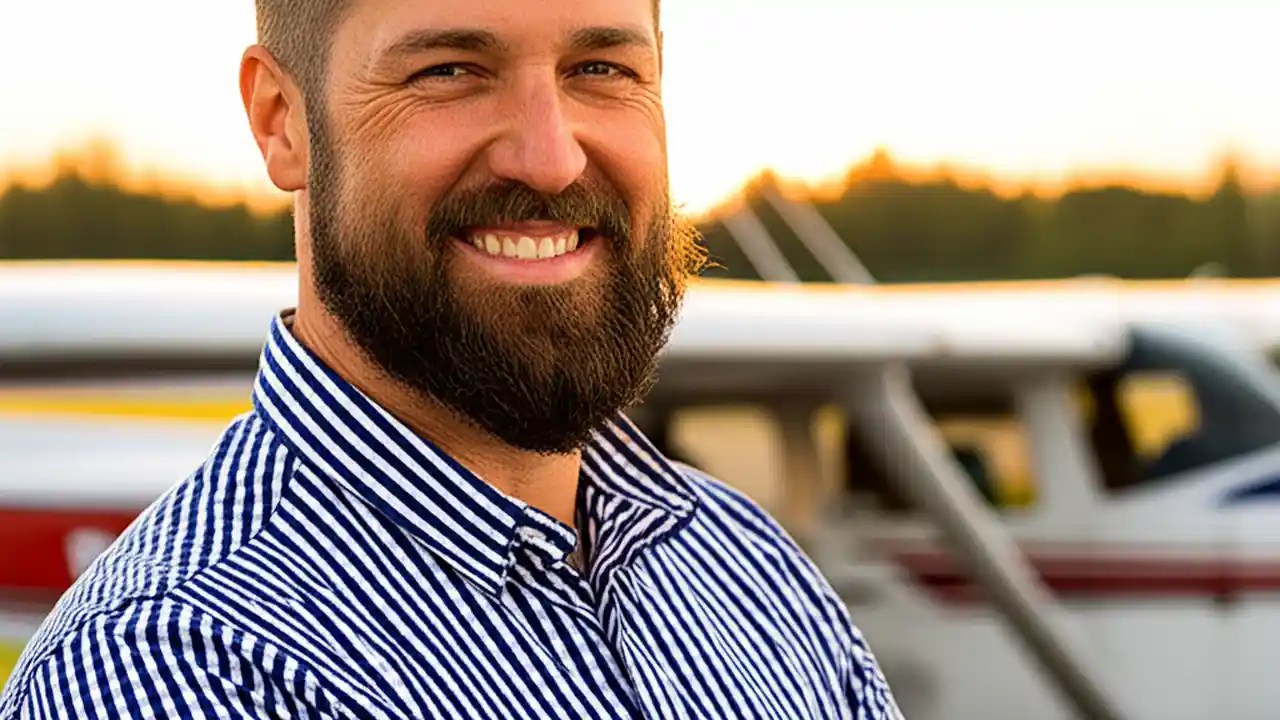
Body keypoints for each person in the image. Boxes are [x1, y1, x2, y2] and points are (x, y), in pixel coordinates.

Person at [0, 1, 902, 717]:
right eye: (449, 71)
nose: (550, 159)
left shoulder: (748, 566)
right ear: (282, 122)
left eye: (602, 69)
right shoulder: (176, 669)